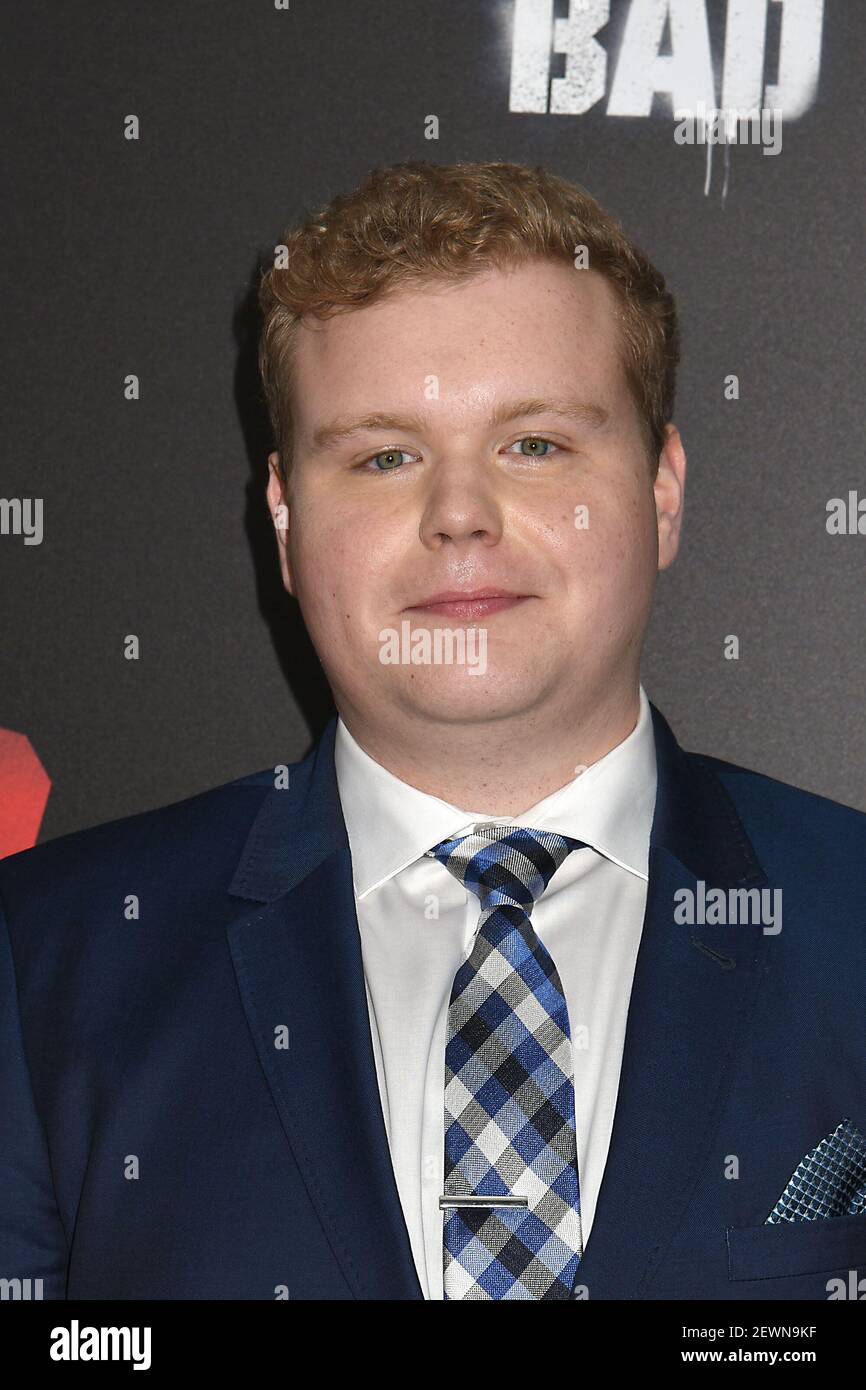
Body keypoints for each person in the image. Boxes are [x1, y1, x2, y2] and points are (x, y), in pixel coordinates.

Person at [2, 160, 865, 1302]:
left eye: (535, 445)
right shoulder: (47, 962)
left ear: (660, 490)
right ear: (283, 517)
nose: (457, 513)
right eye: (383, 456)